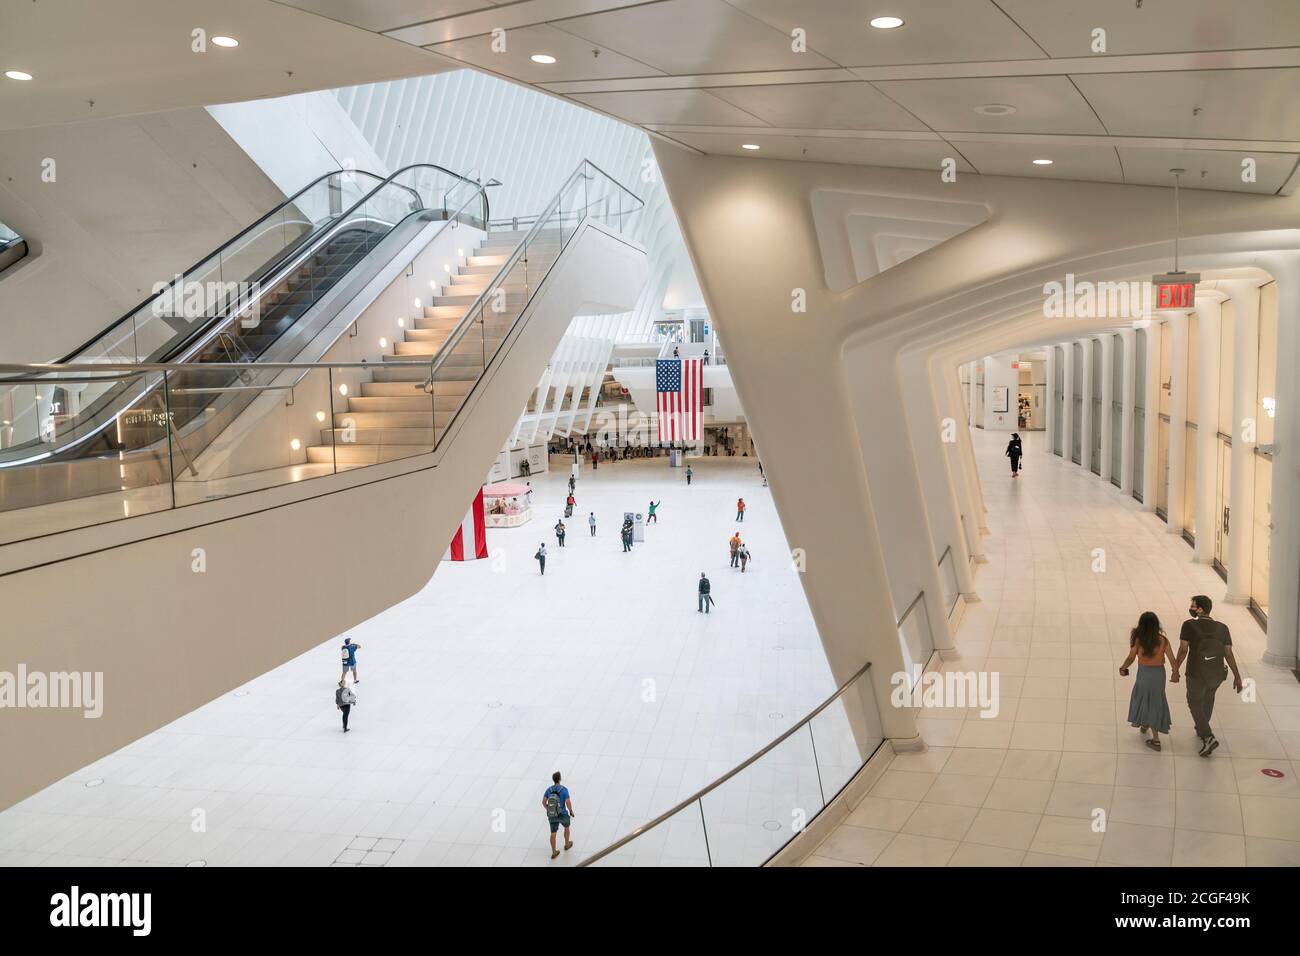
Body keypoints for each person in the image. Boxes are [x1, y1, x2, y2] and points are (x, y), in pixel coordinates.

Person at [1174, 595, 1242, 757]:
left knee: (1194, 701)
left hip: (1195, 672)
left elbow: (1183, 649)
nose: (1191, 607)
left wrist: (1175, 668)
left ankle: (1207, 736)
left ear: (1201, 609)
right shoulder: (1222, 628)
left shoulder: (1189, 625)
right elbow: (1229, 654)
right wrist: (1237, 676)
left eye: (1193, 605)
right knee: (1209, 698)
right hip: (1217, 673)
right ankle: (1202, 727)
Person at [1119, 611, 1179, 751]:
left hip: (1144, 674)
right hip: (1159, 675)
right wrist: (1175, 673)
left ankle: (1156, 740)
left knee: (1144, 699)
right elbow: (1172, 660)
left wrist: (1123, 668)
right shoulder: (1163, 640)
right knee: (1156, 700)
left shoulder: (1139, 639)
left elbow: (1131, 658)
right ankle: (1146, 722)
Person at [542, 771, 574, 860]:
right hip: (562, 814)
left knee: (553, 833)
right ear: (560, 779)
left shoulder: (548, 790)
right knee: (566, 828)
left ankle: (554, 852)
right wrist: (570, 811)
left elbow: (543, 802)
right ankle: (567, 844)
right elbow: (567, 802)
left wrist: (549, 809)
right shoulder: (564, 789)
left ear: (553, 780)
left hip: (552, 815)